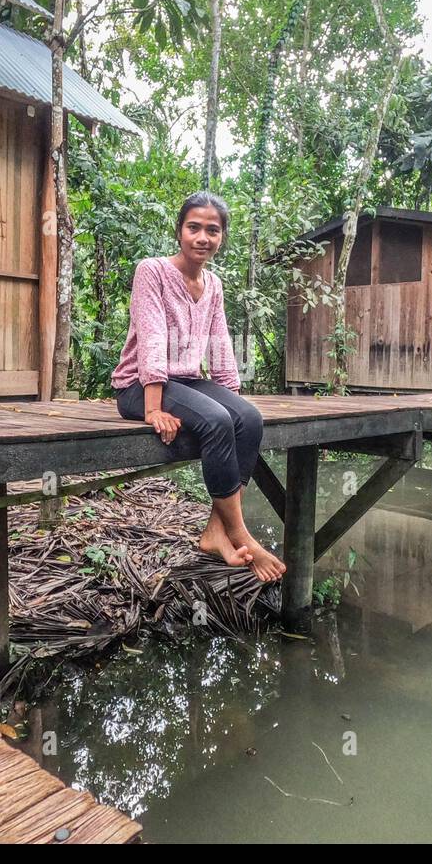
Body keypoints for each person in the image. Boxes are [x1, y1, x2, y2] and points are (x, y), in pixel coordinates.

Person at [111, 192, 287, 583]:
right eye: (194, 227)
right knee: (215, 420)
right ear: (179, 231)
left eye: (213, 230)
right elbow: (153, 336)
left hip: (187, 381)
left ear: (222, 237)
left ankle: (214, 531)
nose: (202, 237)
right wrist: (153, 408)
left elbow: (220, 342)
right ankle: (240, 533)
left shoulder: (214, 285)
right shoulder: (151, 271)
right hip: (139, 387)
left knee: (249, 419)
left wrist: (233, 396)